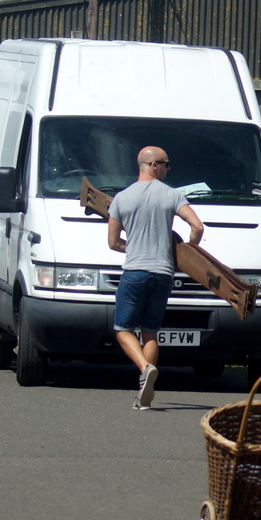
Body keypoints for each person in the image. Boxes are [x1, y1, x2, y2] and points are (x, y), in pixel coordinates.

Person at [107, 146, 204, 410]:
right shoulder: (172, 195)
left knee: (123, 329)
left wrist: (135, 247)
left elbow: (113, 242)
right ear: (151, 165)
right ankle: (144, 394)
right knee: (150, 331)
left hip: (135, 271)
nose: (168, 168)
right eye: (165, 164)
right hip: (163, 273)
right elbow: (197, 226)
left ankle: (145, 368)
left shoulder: (121, 198)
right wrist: (189, 253)